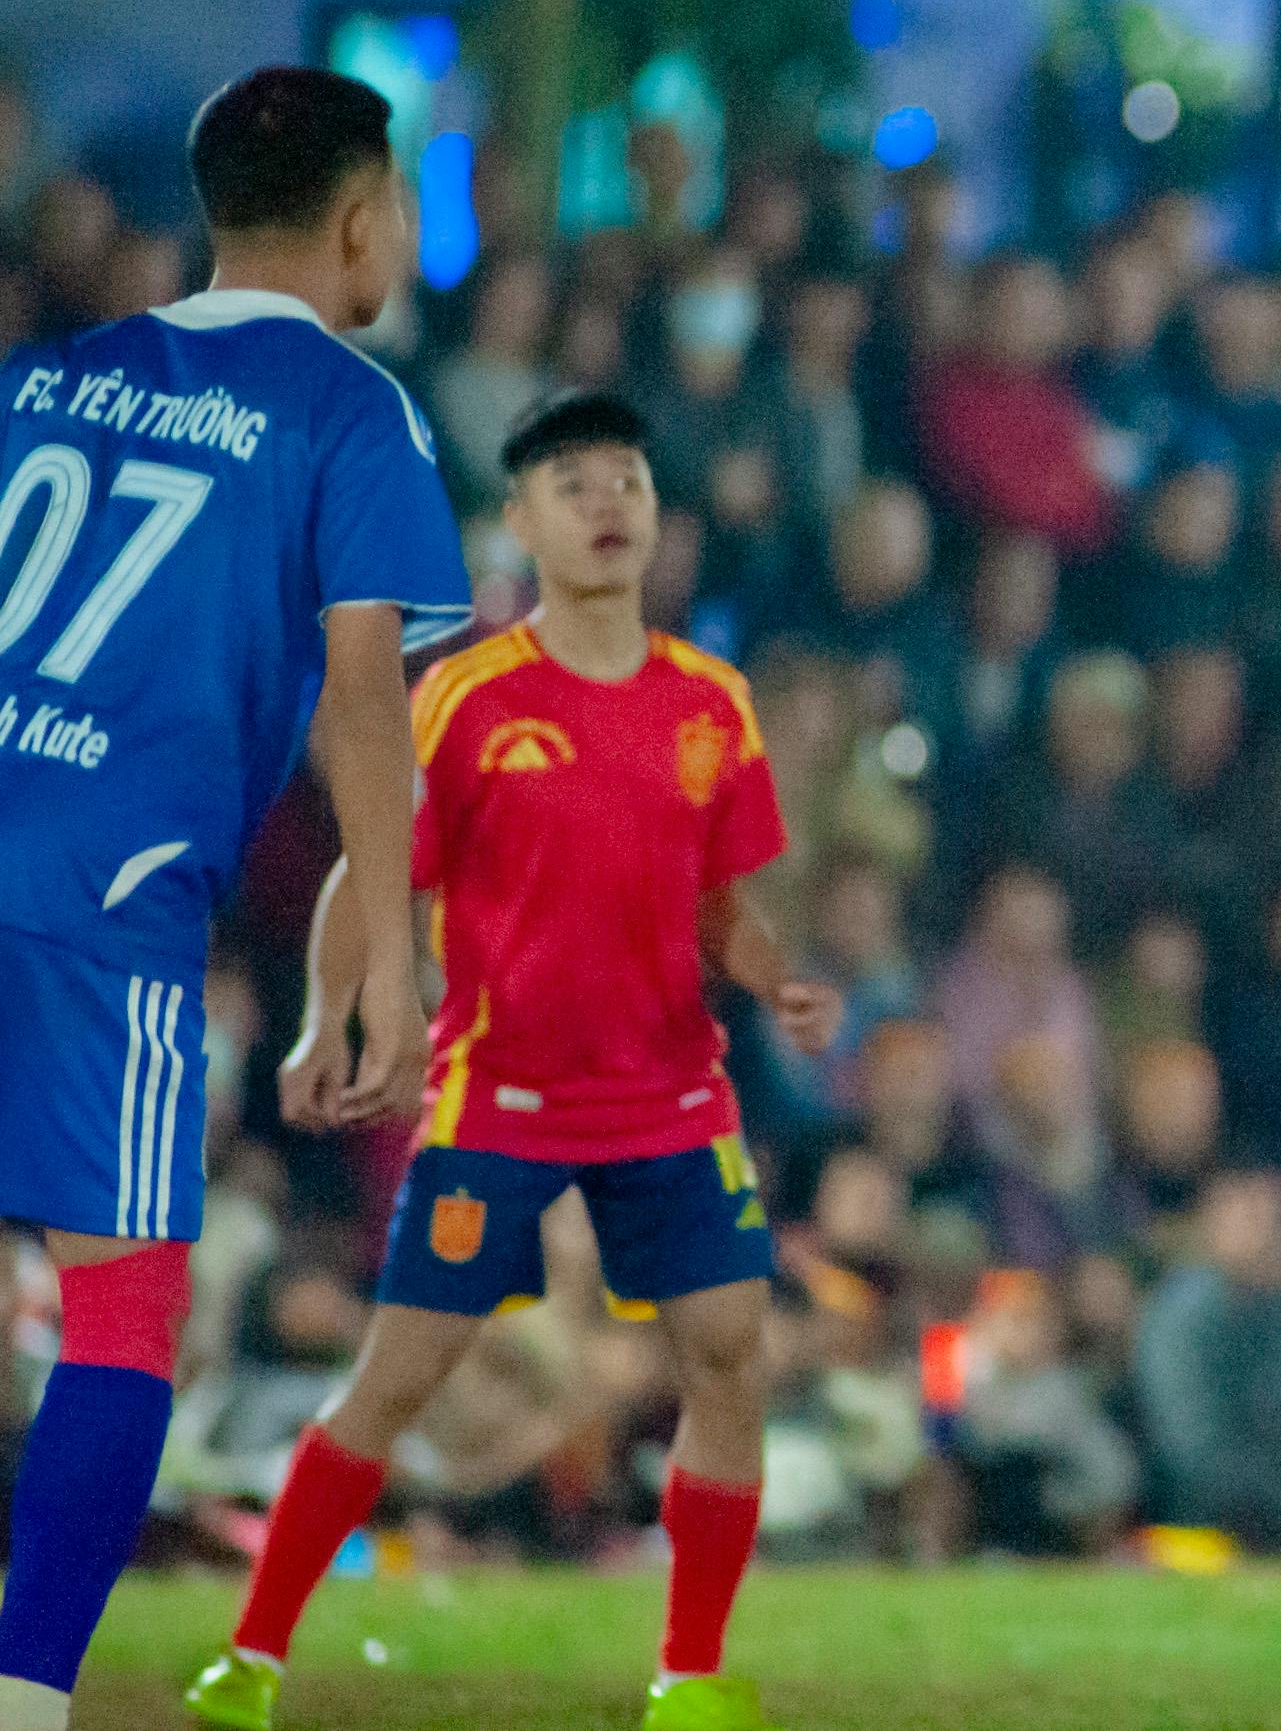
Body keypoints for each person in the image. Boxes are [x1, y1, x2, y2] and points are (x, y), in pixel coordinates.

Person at [185, 392, 839, 1731]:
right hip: (505, 1101)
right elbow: (369, 877)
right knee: (400, 1372)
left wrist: (769, 974)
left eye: (629, 482)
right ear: (523, 521)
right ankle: (251, 1655)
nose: (609, 505)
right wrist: (328, 1020)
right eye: (576, 485)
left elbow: (722, 899)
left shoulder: (713, 702)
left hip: (670, 1095)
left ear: (658, 516)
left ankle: (692, 1679)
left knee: (730, 1354)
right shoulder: (469, 699)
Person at [0, 68, 471, 1731]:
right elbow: (365, 699)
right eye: (401, 202)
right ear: (362, 221)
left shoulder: (59, 373)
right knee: (127, 1308)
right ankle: (27, 1701)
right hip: (102, 889)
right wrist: (393, 964)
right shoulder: (356, 414)